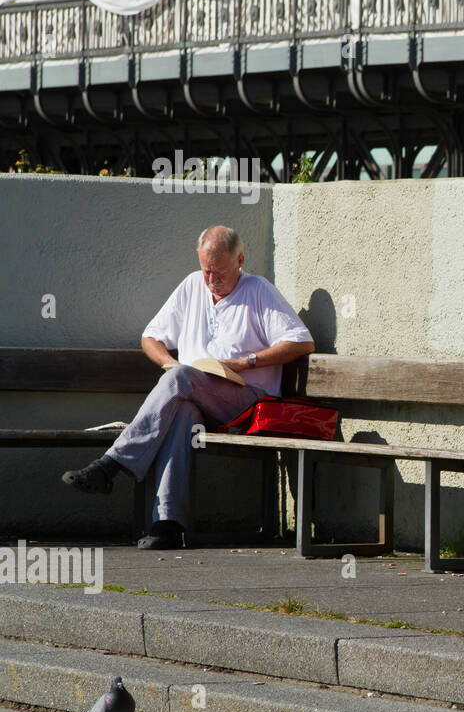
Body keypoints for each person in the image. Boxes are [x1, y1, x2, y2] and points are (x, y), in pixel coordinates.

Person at [61, 226, 315, 550]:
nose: (211, 279)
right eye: (206, 269)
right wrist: (169, 366)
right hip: (196, 393)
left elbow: (301, 341)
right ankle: (167, 524)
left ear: (240, 260)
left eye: (219, 272)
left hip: (247, 403)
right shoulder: (192, 286)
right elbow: (151, 337)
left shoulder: (258, 291)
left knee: (182, 379)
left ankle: (112, 465)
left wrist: (245, 362)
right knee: (182, 410)